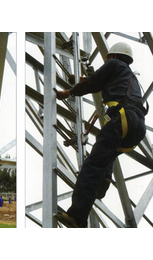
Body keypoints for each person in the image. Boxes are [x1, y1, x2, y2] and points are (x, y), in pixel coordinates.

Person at [56, 42, 147, 227]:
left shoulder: (113, 65)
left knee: (92, 165)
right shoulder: (129, 76)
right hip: (137, 127)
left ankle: (76, 216)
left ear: (112, 56)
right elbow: (102, 81)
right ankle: (105, 178)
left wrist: (69, 92)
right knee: (106, 153)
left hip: (122, 117)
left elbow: (95, 83)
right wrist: (81, 80)